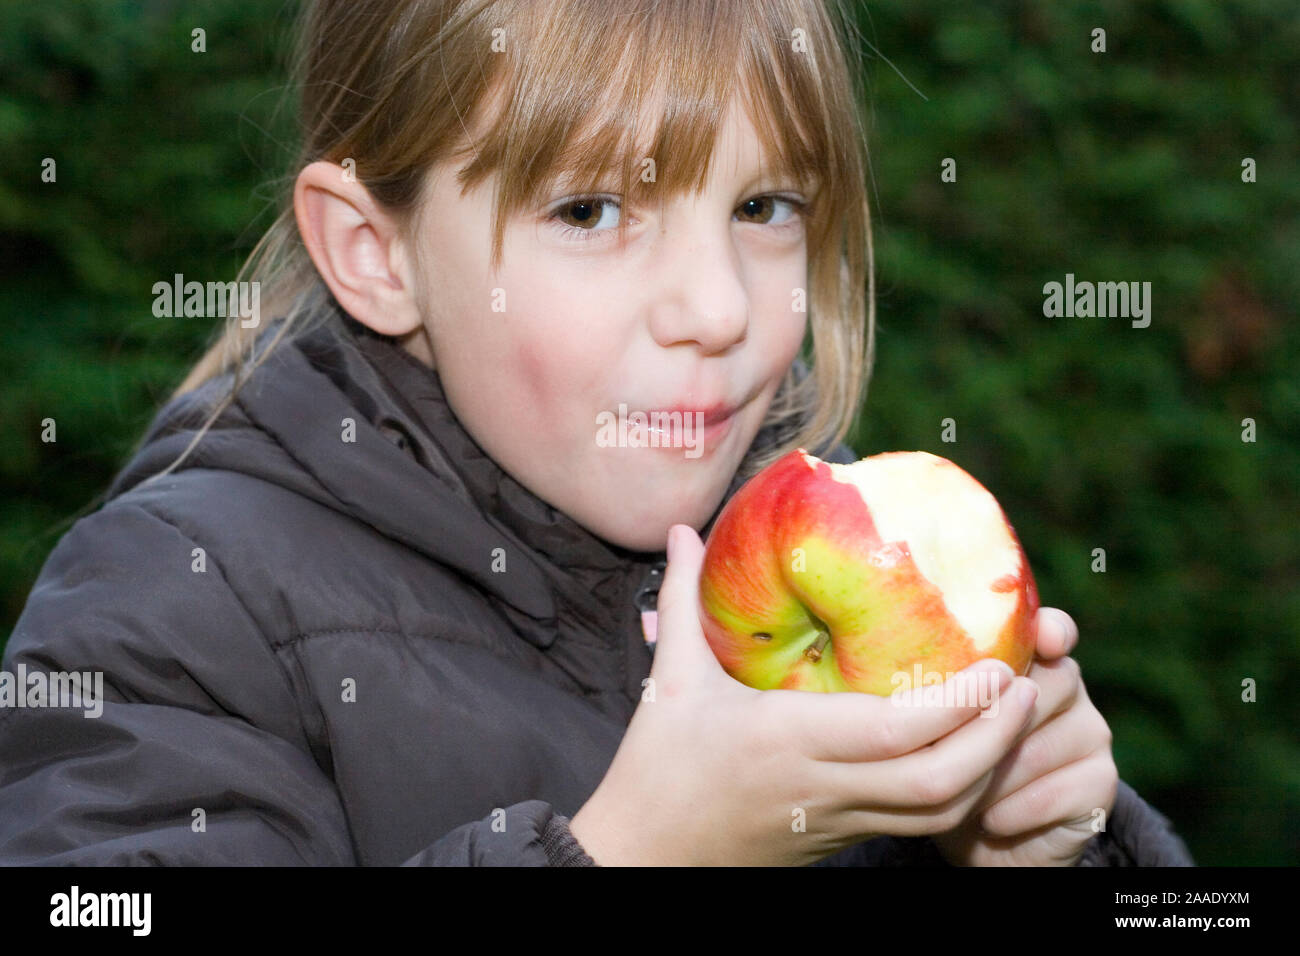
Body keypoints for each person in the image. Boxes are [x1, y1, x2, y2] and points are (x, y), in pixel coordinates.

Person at [0, 0, 1193, 866]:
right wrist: (628, 855)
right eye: (592, 209)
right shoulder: (169, 614)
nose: (717, 307)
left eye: (764, 207)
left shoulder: (819, 541)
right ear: (376, 251)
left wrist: (1055, 849)